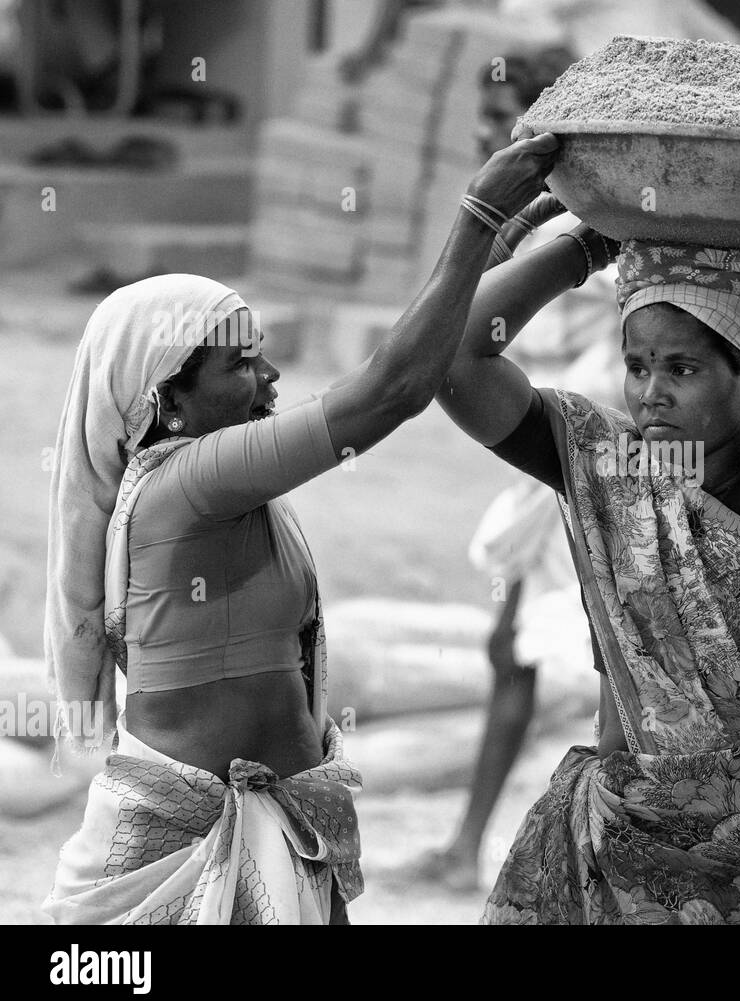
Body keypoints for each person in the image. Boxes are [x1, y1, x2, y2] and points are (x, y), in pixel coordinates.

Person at [41, 133, 559, 924]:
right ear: (165, 402)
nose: (271, 378)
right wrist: (483, 218)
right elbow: (390, 392)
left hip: (278, 822)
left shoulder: (221, 486)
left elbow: (417, 363)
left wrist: (507, 245)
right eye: (241, 365)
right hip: (189, 841)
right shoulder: (191, 483)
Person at [433, 135, 740, 923]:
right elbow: (459, 361)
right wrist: (585, 239)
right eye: (638, 367)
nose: (651, 394)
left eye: (684, 369)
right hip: (621, 837)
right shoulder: (604, 470)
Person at [418, 44, 627, 892]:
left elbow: (610, 359)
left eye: (505, 113)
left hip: (580, 446)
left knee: (611, 661)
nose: (486, 129)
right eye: (484, 112)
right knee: (519, 649)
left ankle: (575, 858)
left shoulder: (588, 220)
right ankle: (477, 844)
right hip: (541, 446)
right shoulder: (517, 216)